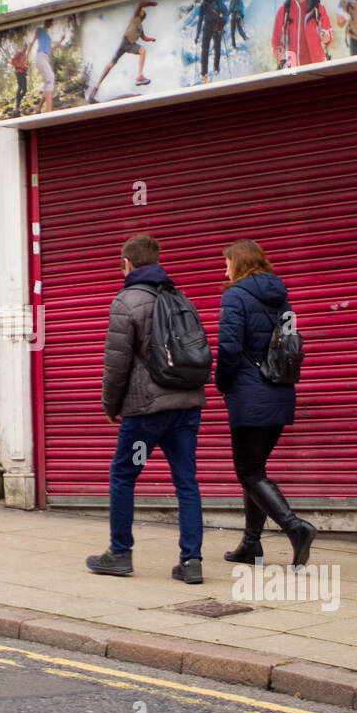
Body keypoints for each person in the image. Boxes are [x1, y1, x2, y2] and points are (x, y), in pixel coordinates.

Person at [88, 234, 207, 583]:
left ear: (126, 263)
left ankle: (120, 553)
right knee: (186, 480)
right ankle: (191, 561)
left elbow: (117, 364)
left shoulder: (126, 301)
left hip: (147, 415)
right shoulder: (180, 296)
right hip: (185, 408)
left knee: (125, 474)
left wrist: (110, 405)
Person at [214, 239, 315, 567]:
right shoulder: (282, 298)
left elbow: (229, 349)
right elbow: (291, 347)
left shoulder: (234, 296)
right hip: (281, 393)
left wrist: (222, 382)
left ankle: (295, 527)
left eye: (227, 262)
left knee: (248, 471)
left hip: (250, 395)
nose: (224, 268)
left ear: (239, 263)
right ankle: (251, 545)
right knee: (255, 470)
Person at [88, 1, 157, 102]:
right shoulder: (135, 18)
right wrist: (150, 4)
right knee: (111, 65)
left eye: (142, 12)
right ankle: (96, 87)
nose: (140, 12)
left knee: (142, 50)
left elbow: (144, 37)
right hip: (125, 42)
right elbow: (140, 4)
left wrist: (151, 39)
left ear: (143, 16)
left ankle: (140, 76)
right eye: (140, 11)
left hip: (131, 45)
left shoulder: (140, 27)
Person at [271, 0, 332, 69]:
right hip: (293, 70)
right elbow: (276, 39)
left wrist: (327, 36)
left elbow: (329, 31)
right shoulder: (284, 10)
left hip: (318, 67)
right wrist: (278, 51)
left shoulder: (317, 7)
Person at [193, 0, 228, 83]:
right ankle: (204, 74)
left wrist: (223, 21)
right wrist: (197, 35)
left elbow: (225, 11)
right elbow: (199, 20)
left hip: (217, 25)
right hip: (207, 26)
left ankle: (216, 68)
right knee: (204, 50)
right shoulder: (203, 4)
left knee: (217, 48)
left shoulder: (218, 0)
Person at [33, 19, 55, 112]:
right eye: (48, 21)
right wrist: (26, 55)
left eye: (51, 22)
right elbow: (33, 41)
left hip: (46, 58)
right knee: (50, 78)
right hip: (40, 56)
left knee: (48, 83)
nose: (49, 23)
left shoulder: (49, 38)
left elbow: (51, 50)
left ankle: (39, 108)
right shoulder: (39, 30)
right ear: (45, 21)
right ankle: (49, 112)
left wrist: (61, 41)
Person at [10, 45, 30, 114]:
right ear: (23, 47)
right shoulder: (19, 53)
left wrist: (26, 67)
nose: (25, 48)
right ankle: (17, 106)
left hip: (23, 73)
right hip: (19, 73)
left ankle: (18, 102)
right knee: (20, 87)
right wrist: (19, 65)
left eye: (26, 47)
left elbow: (27, 65)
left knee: (25, 90)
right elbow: (12, 62)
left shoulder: (26, 56)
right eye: (25, 47)